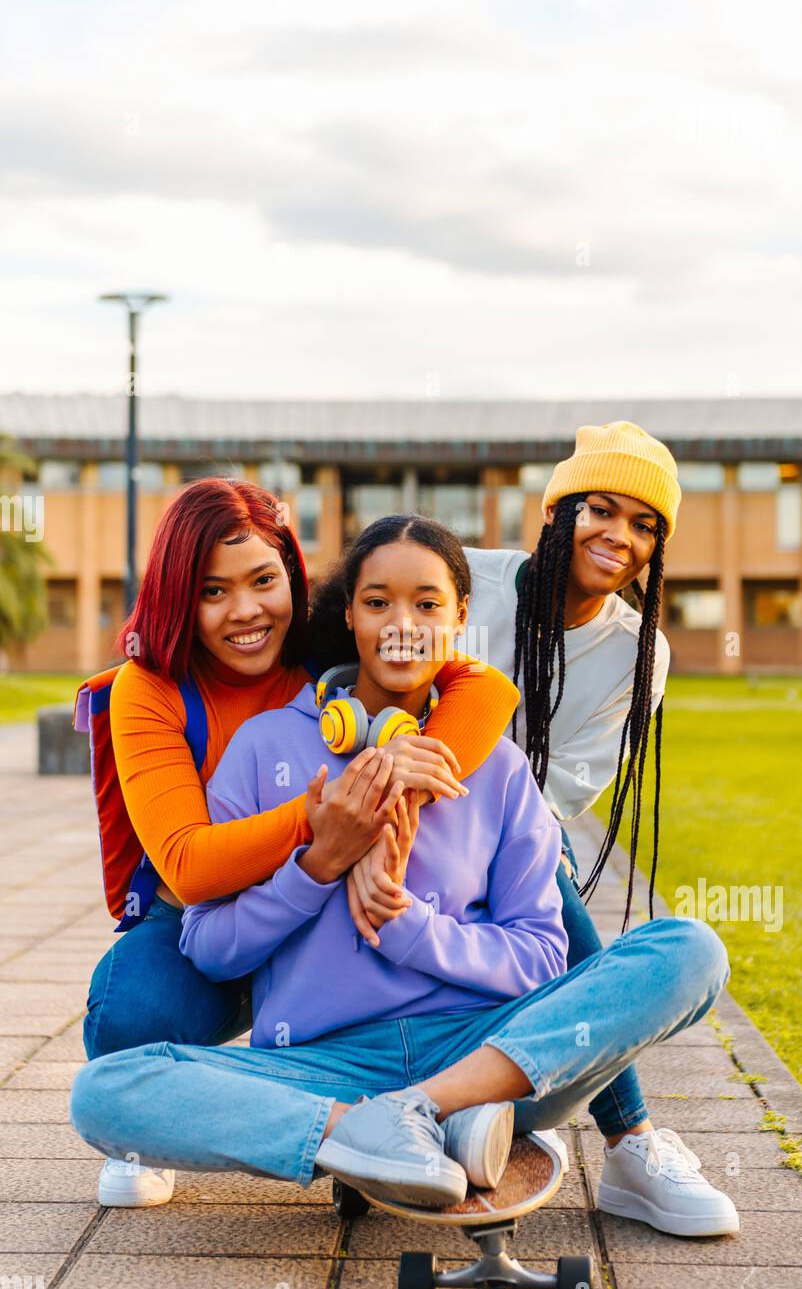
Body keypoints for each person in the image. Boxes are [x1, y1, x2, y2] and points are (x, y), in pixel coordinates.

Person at [70, 514, 738, 1237]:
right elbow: (207, 950)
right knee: (105, 1090)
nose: (402, 623)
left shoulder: (499, 767)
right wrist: (315, 868)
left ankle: (420, 1113)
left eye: (426, 604)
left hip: (483, 1051)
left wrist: (409, 930)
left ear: (459, 617)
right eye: (379, 601)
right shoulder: (264, 750)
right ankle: (384, 1127)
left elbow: (543, 959)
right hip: (321, 1064)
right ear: (348, 613)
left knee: (691, 949)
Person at [81, 478, 521, 1208]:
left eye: (263, 580)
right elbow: (191, 867)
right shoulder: (150, 688)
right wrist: (333, 821)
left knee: (550, 875)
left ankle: (626, 1131)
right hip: (205, 913)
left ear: (293, 574)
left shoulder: (324, 645)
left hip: (324, 902)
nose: (246, 611)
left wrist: (397, 777)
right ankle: (157, 1126)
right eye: (212, 591)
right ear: (178, 599)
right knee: (133, 1014)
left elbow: (484, 689)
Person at [347, 423, 737, 1236]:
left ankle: (625, 1151)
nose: (618, 537)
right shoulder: (469, 581)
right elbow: (366, 666)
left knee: (557, 895)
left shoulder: (638, 653)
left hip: (516, 828)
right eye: (601, 509)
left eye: (644, 525)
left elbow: (560, 791)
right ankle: (621, 1132)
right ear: (557, 512)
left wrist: (498, 837)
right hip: (380, 803)